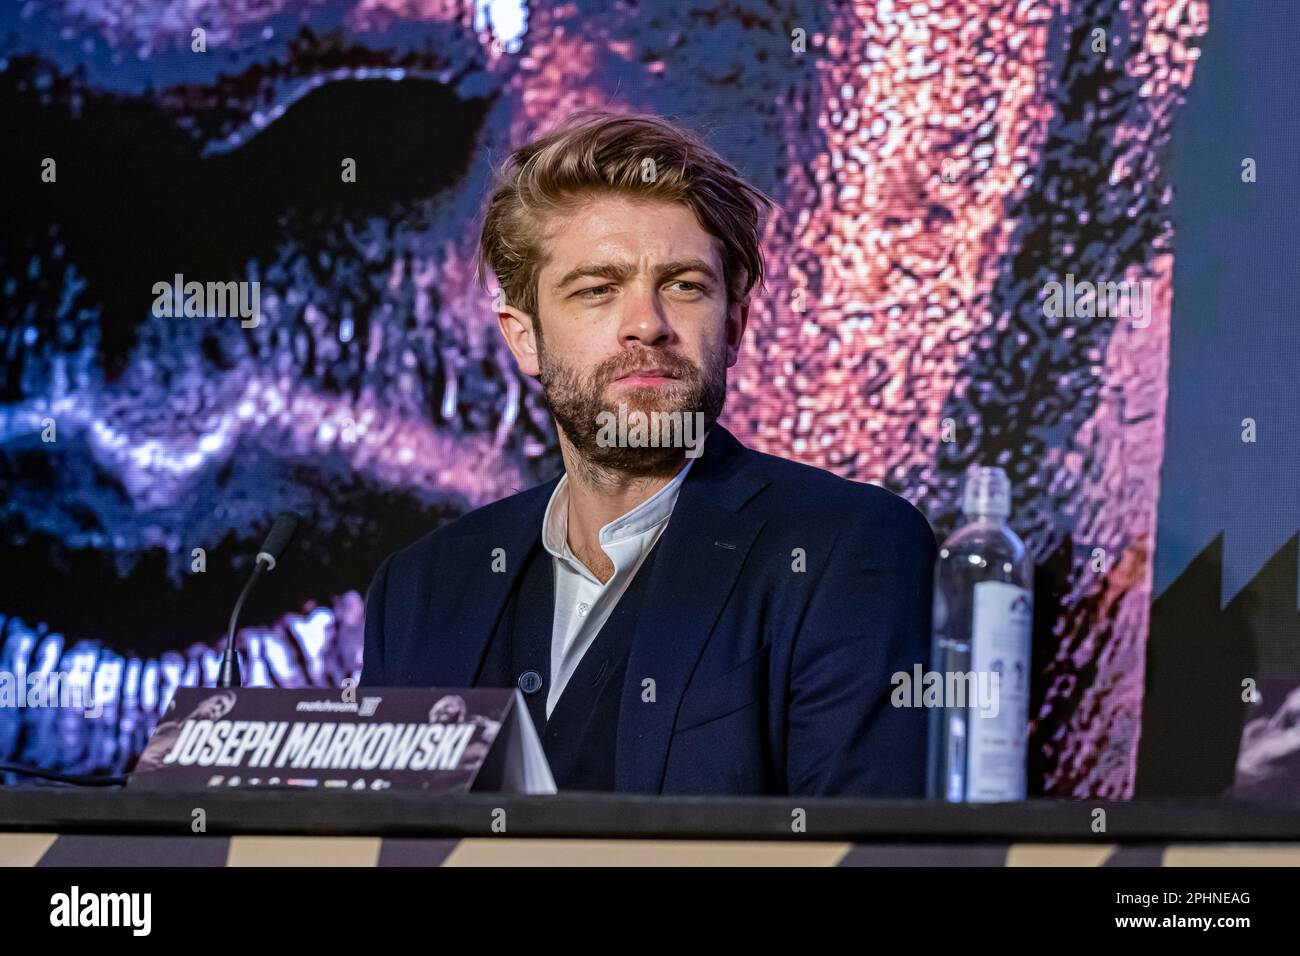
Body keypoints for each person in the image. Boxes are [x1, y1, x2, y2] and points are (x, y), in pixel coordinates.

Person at [361, 110, 936, 796]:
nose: (647, 325)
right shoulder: (420, 590)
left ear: (733, 327)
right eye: (597, 289)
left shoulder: (848, 551)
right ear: (524, 338)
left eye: (684, 286)